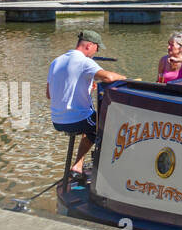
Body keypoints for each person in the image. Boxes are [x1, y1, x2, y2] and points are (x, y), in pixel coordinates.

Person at [46, 30, 125, 180]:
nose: (97, 52)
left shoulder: (56, 61)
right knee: (107, 124)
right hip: (75, 119)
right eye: (97, 48)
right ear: (89, 45)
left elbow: (49, 94)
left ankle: (80, 165)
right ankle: (84, 166)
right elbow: (108, 77)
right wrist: (123, 77)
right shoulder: (84, 61)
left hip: (56, 120)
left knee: (91, 121)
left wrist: (86, 87)